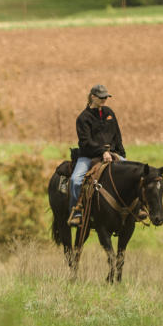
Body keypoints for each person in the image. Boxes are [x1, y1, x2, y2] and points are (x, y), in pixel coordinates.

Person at [68, 83, 126, 226]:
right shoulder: (83, 118)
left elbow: (117, 136)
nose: (104, 100)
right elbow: (85, 142)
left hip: (111, 153)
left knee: (133, 174)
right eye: (101, 97)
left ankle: (134, 209)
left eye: (106, 97)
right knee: (75, 181)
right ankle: (77, 212)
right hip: (88, 155)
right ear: (92, 97)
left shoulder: (109, 113)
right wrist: (103, 152)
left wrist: (121, 154)